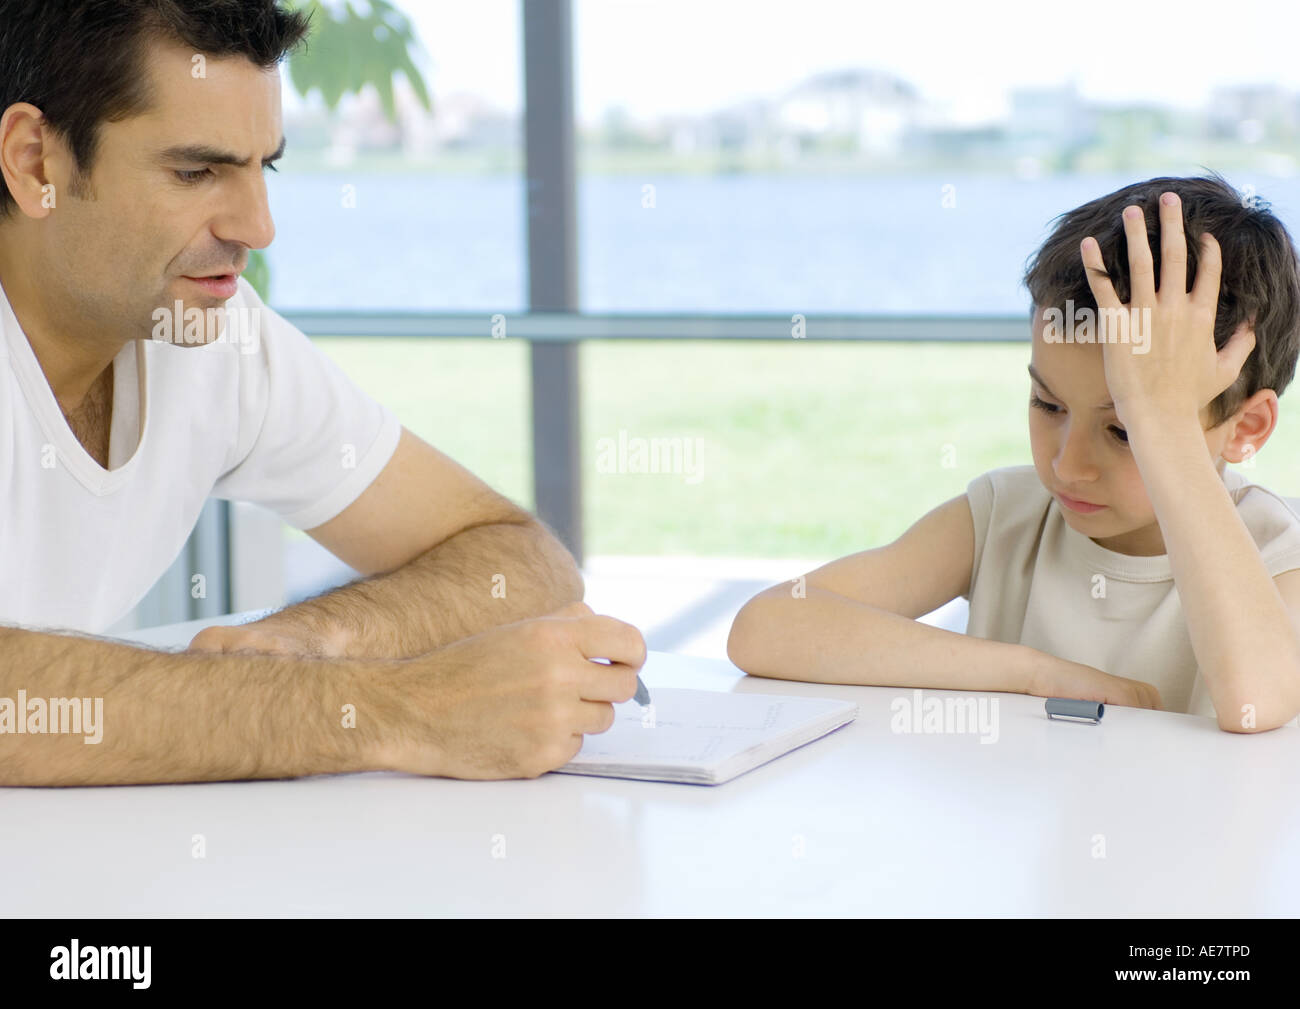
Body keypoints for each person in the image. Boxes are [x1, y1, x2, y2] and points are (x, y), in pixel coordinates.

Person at [0, 0, 645, 786]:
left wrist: (315, 642)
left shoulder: (218, 339)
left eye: (261, 167)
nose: (258, 226)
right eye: (195, 171)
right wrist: (398, 707)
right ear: (37, 163)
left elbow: (518, 559)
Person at [729, 174, 1300, 733]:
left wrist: (1163, 423)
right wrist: (1032, 674)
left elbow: (1258, 702)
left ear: (1245, 426)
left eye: (1126, 431)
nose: (1065, 466)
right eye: (1047, 405)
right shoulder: (1006, 517)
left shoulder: (1273, 548)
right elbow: (767, 626)